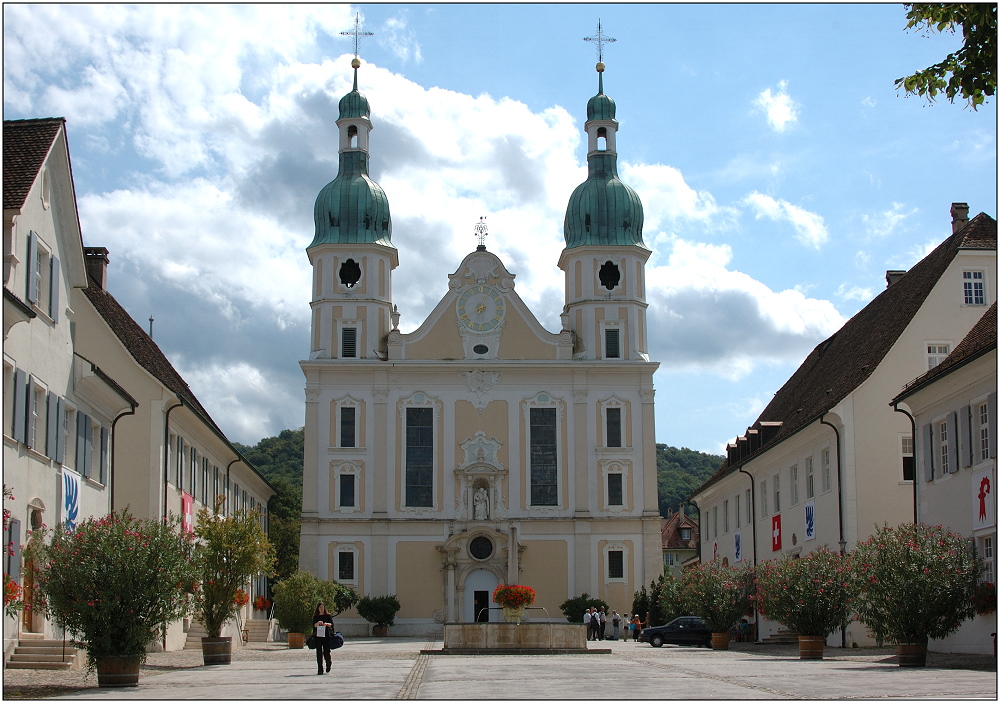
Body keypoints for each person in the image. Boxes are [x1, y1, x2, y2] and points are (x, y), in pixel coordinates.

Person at [313, 601, 335, 674]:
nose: (321, 609)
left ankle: (328, 663)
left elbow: (331, 624)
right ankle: (320, 669)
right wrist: (317, 623)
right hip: (318, 637)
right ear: (318, 608)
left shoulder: (328, 616)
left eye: (322, 607)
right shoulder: (316, 617)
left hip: (326, 636)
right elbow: (314, 626)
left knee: (326, 652)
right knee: (319, 653)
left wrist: (326, 624)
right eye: (320, 607)